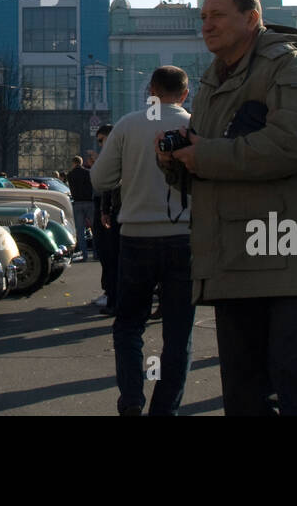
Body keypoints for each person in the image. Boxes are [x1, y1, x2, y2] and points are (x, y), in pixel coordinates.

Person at [159, 0, 297, 416]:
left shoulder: (287, 67)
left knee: (294, 382)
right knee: (243, 392)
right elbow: (210, 167)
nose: (207, 25)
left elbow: (294, 145)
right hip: (233, 257)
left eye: (218, 15)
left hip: (288, 250)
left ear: (251, 18)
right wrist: (177, 160)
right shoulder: (213, 82)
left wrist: (205, 155)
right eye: (203, 17)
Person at [93, 65, 194, 415]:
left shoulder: (129, 124)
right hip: (185, 238)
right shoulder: (195, 125)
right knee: (178, 334)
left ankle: (132, 402)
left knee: (129, 325)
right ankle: (164, 408)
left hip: (136, 237)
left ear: (150, 90)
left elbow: (100, 178)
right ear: (185, 93)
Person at [92, 123, 119, 313]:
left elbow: (104, 184)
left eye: (102, 140)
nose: (101, 145)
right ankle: (112, 296)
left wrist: (105, 211)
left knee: (112, 256)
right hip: (112, 211)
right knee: (108, 255)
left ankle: (114, 298)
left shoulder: (116, 156)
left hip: (116, 212)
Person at [66, 154, 95, 262]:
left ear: (74, 163)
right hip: (89, 202)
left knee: (80, 231)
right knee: (94, 229)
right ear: (81, 162)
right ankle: (97, 254)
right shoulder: (88, 173)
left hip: (77, 203)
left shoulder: (70, 175)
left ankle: (84, 255)